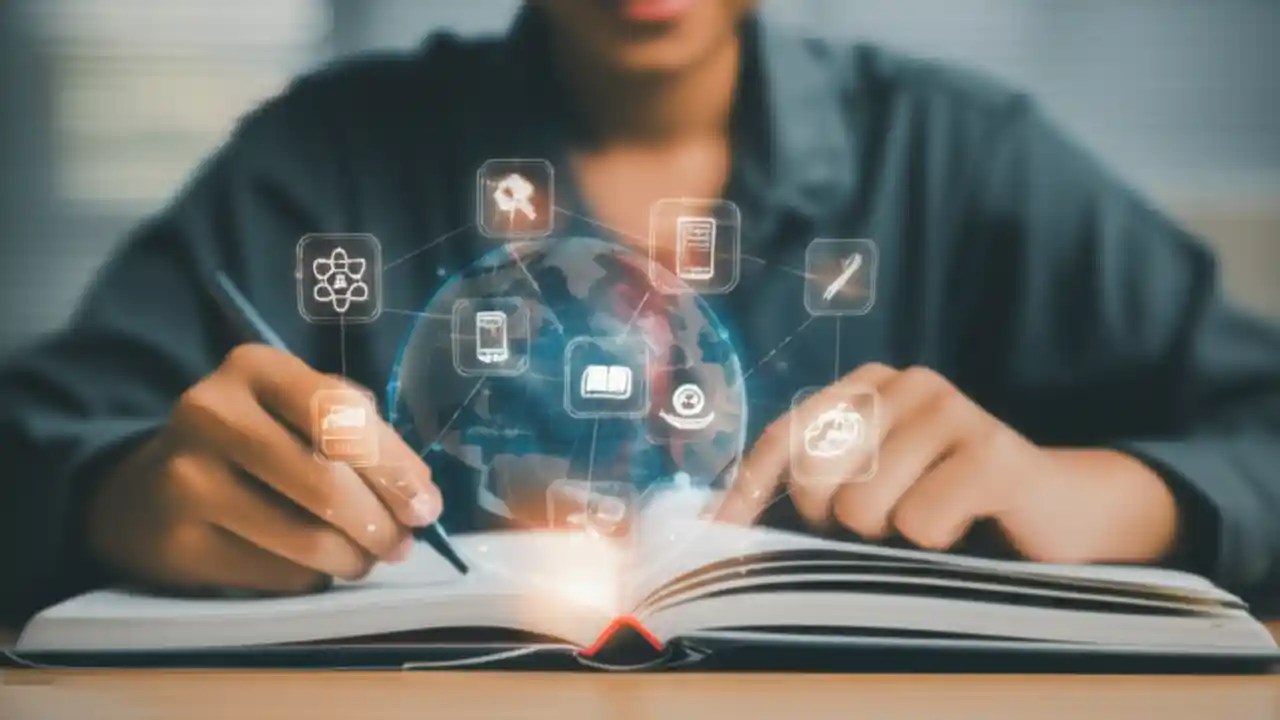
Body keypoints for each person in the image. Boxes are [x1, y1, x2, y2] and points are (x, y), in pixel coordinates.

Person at [2, 0, 1279, 624]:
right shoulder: (317, 161)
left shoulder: (966, 158)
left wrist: (1106, 494)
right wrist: (124, 495)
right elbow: (35, 439)